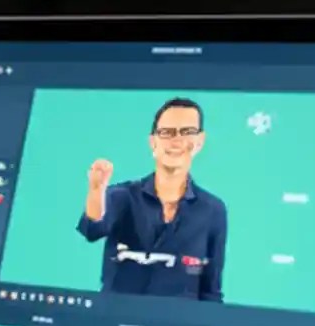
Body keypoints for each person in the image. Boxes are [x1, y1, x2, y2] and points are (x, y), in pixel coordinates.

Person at [77, 97, 228, 302]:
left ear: (200, 141)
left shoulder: (213, 210)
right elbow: (93, 229)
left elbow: (211, 290)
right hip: (114, 320)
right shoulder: (121, 196)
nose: (176, 140)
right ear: (153, 141)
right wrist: (96, 189)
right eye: (167, 132)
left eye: (187, 132)